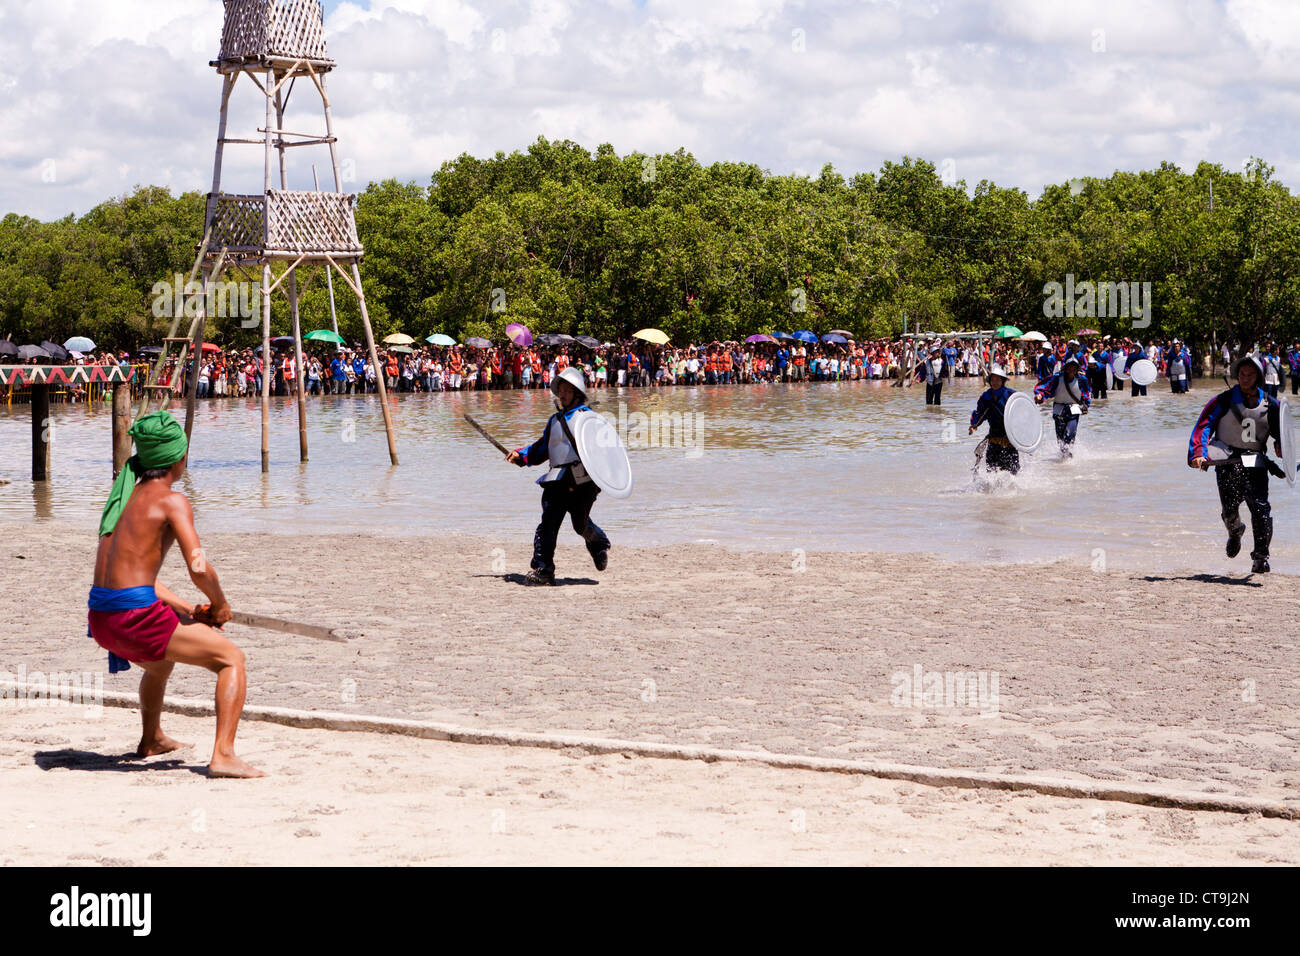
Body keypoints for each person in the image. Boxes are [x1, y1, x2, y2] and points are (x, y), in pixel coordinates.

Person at [89, 411, 261, 777]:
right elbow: (198, 567)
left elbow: (136, 581)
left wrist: (187, 610)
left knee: (160, 663)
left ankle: (151, 739)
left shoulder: (122, 499)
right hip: (132, 618)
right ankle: (224, 755)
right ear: (178, 458)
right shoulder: (172, 501)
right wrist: (220, 605)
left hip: (102, 619)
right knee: (232, 659)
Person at [507, 367, 611, 586]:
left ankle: (599, 544)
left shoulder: (590, 420)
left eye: (567, 390)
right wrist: (521, 456)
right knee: (547, 524)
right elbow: (541, 449)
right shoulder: (554, 421)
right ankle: (543, 570)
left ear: (577, 393)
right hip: (556, 481)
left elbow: (606, 453)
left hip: (583, 483)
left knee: (580, 525)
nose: (562, 395)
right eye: (560, 390)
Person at [1188, 354, 1285, 574]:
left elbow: (1282, 433)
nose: (1245, 378)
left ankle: (1261, 557)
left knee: (1261, 509)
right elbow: (1204, 426)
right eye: (1241, 374)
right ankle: (1235, 532)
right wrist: (1198, 453)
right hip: (1226, 459)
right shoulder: (1223, 400)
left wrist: (1281, 446)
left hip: (1255, 462)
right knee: (1229, 510)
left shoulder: (1272, 405)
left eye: (1250, 374)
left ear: (1258, 377)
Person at [970, 363, 1021, 475]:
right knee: (991, 472)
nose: (995, 382)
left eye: (998, 379)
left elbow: (1021, 413)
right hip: (994, 437)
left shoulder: (1011, 395)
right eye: (993, 379)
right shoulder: (986, 396)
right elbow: (980, 413)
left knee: (1013, 473)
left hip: (1010, 438)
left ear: (1002, 381)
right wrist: (974, 425)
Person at [1034, 356, 1090, 456]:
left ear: (1077, 369)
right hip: (1059, 410)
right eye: (1070, 367)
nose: (1072, 369)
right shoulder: (1057, 378)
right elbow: (1046, 389)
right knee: (1060, 440)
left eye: (1074, 367)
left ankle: (1069, 457)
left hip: (1074, 410)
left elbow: (1086, 394)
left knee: (1069, 435)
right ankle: (1064, 459)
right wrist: (1039, 396)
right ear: (1066, 368)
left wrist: (1086, 405)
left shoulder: (1082, 379)